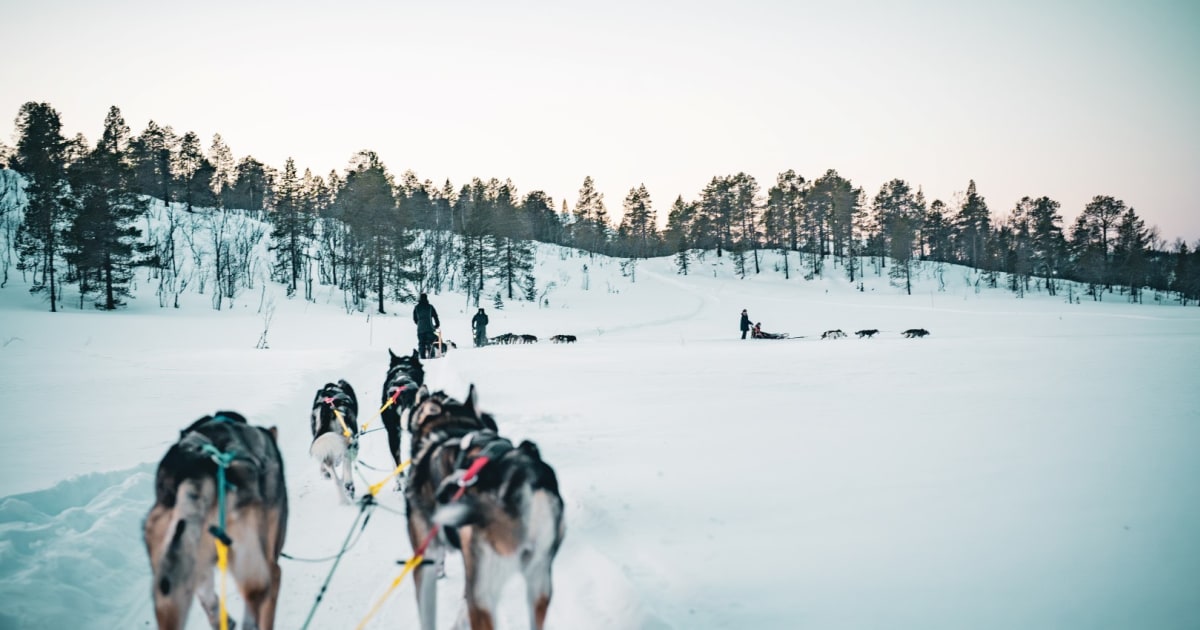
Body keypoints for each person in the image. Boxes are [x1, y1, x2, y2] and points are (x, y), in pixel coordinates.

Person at [412, 293, 441, 359]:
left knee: (421, 343)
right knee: (430, 342)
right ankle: (431, 356)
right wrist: (437, 324)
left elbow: (415, 319)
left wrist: (419, 324)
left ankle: (422, 357)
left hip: (420, 329)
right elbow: (435, 316)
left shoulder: (416, 307)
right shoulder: (430, 307)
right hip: (430, 328)